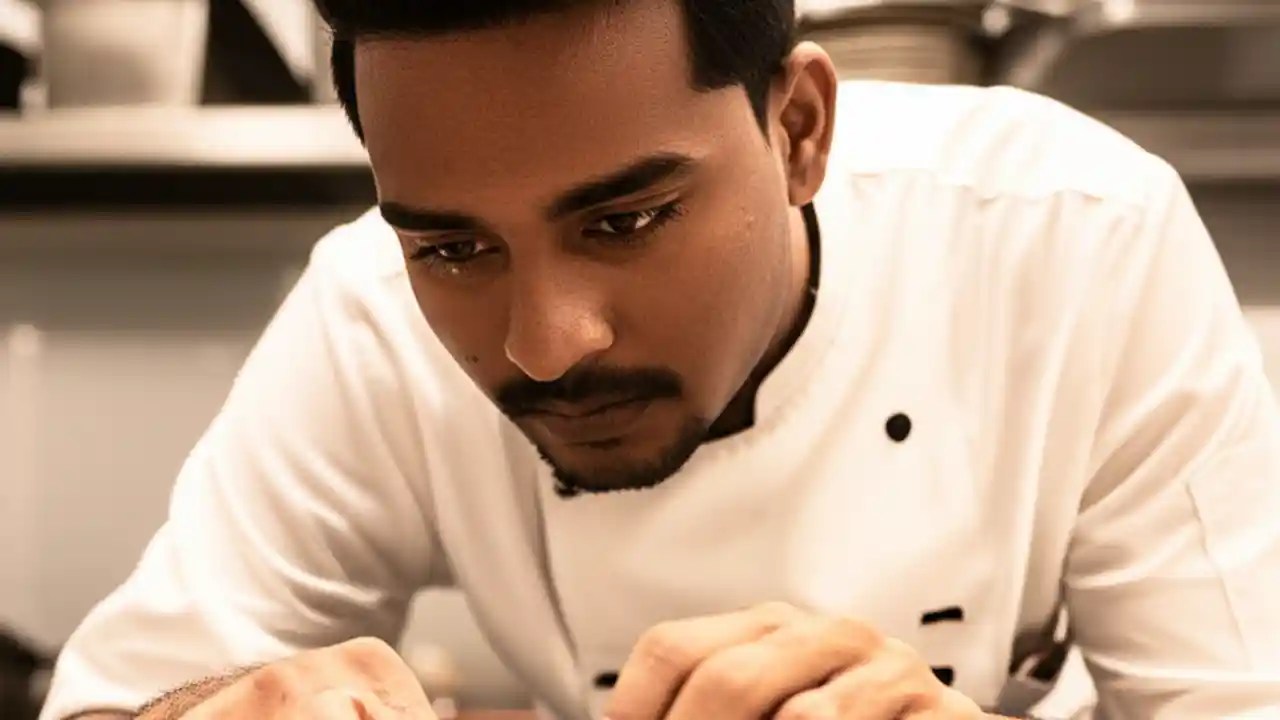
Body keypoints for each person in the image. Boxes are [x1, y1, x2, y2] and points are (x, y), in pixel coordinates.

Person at [41, 0, 1280, 718]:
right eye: (454, 249)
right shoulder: (364, 310)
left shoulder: (1075, 239)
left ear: (797, 130)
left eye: (623, 222)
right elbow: (108, 699)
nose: (543, 344)